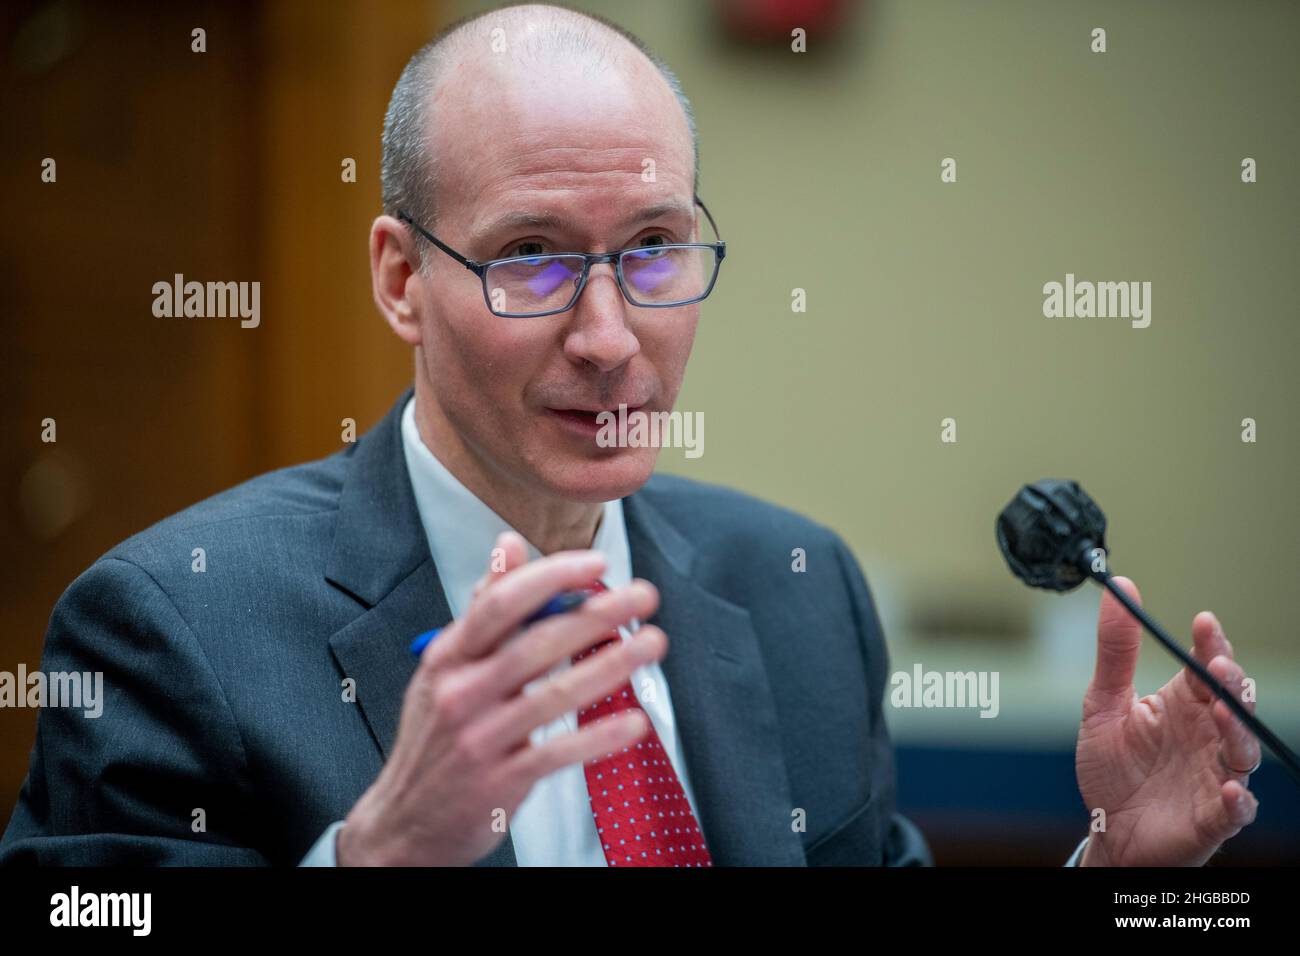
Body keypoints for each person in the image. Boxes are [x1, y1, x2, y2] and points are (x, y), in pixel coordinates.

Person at [0, 3, 1259, 867]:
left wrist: (1116, 868)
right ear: (399, 280)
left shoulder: (798, 589)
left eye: (654, 249)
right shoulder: (172, 624)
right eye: (532, 258)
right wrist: (378, 854)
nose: (609, 336)